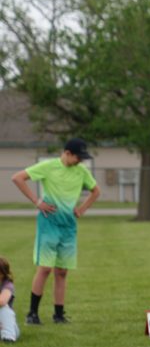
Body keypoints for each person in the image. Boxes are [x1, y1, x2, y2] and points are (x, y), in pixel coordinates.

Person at [11, 138, 101, 325]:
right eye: (78, 157)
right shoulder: (48, 166)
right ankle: (32, 314)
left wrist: (81, 209)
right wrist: (37, 202)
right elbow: (17, 178)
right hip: (48, 225)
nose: (80, 161)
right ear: (67, 153)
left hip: (68, 227)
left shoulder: (81, 171)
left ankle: (59, 315)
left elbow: (96, 191)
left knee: (62, 271)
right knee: (45, 269)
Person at [0, 256, 19, 343]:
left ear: (2, 274)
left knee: (4, 308)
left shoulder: (7, 285)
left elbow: (2, 301)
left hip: (5, 323)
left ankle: (8, 337)